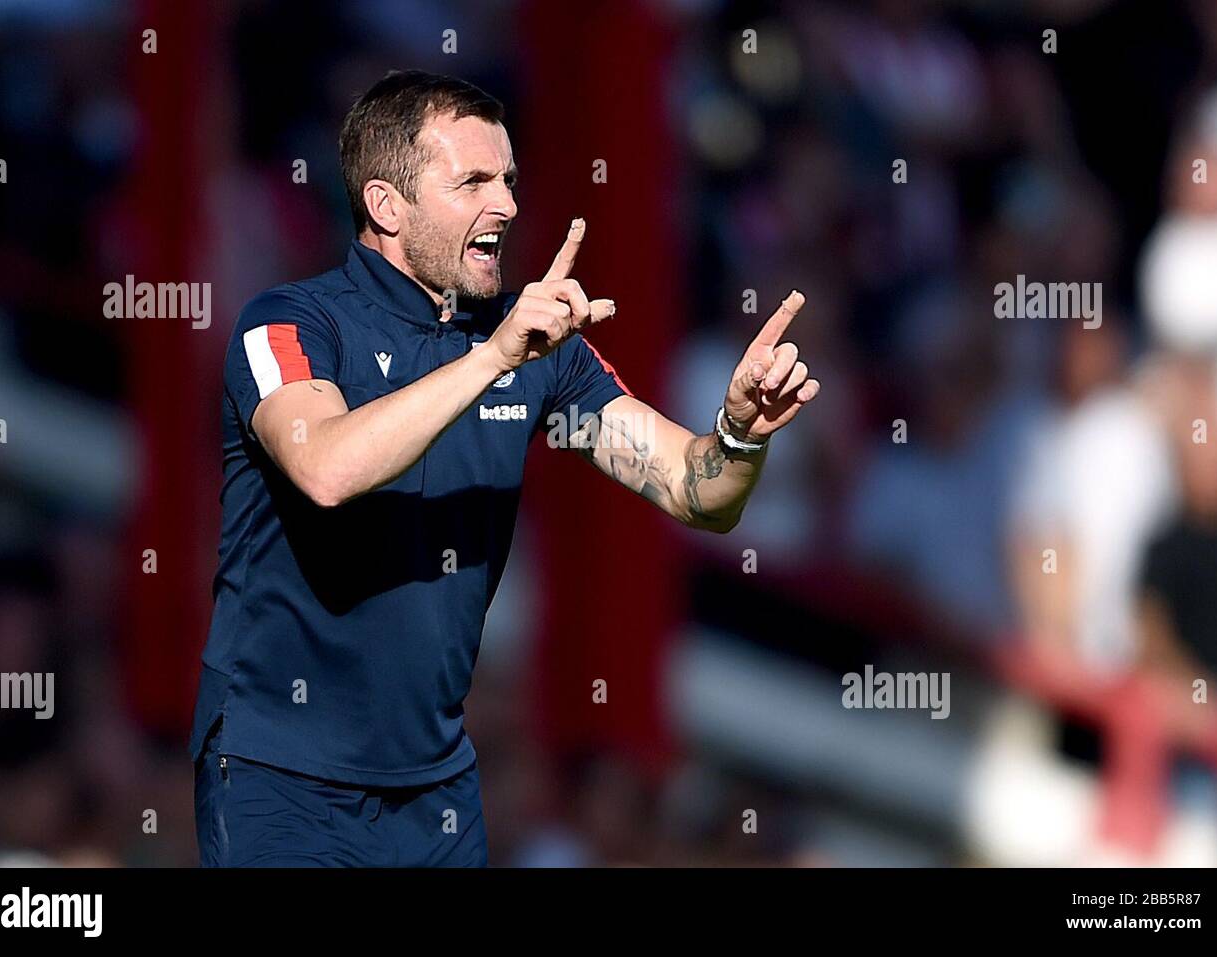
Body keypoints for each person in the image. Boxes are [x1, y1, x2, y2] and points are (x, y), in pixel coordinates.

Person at [189, 70, 819, 866]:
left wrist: (738, 432)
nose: (509, 206)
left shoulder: (534, 349)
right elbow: (325, 466)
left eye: (510, 181)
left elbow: (694, 489)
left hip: (435, 789)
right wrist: (491, 360)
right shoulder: (288, 322)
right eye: (474, 182)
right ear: (387, 206)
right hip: (279, 771)